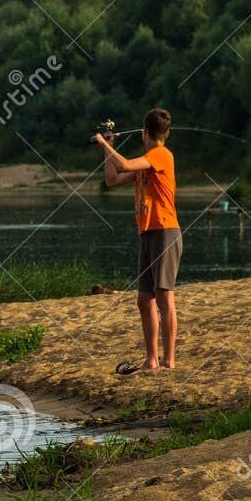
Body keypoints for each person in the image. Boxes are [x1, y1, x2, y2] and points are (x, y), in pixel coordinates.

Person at [95, 107, 179, 373]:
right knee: (145, 300)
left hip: (165, 231)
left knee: (164, 297)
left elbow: (126, 164)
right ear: (166, 132)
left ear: (145, 132)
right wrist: (107, 148)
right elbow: (112, 178)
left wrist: (101, 142)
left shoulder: (161, 155)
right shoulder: (147, 162)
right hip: (147, 231)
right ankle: (151, 360)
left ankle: (168, 361)